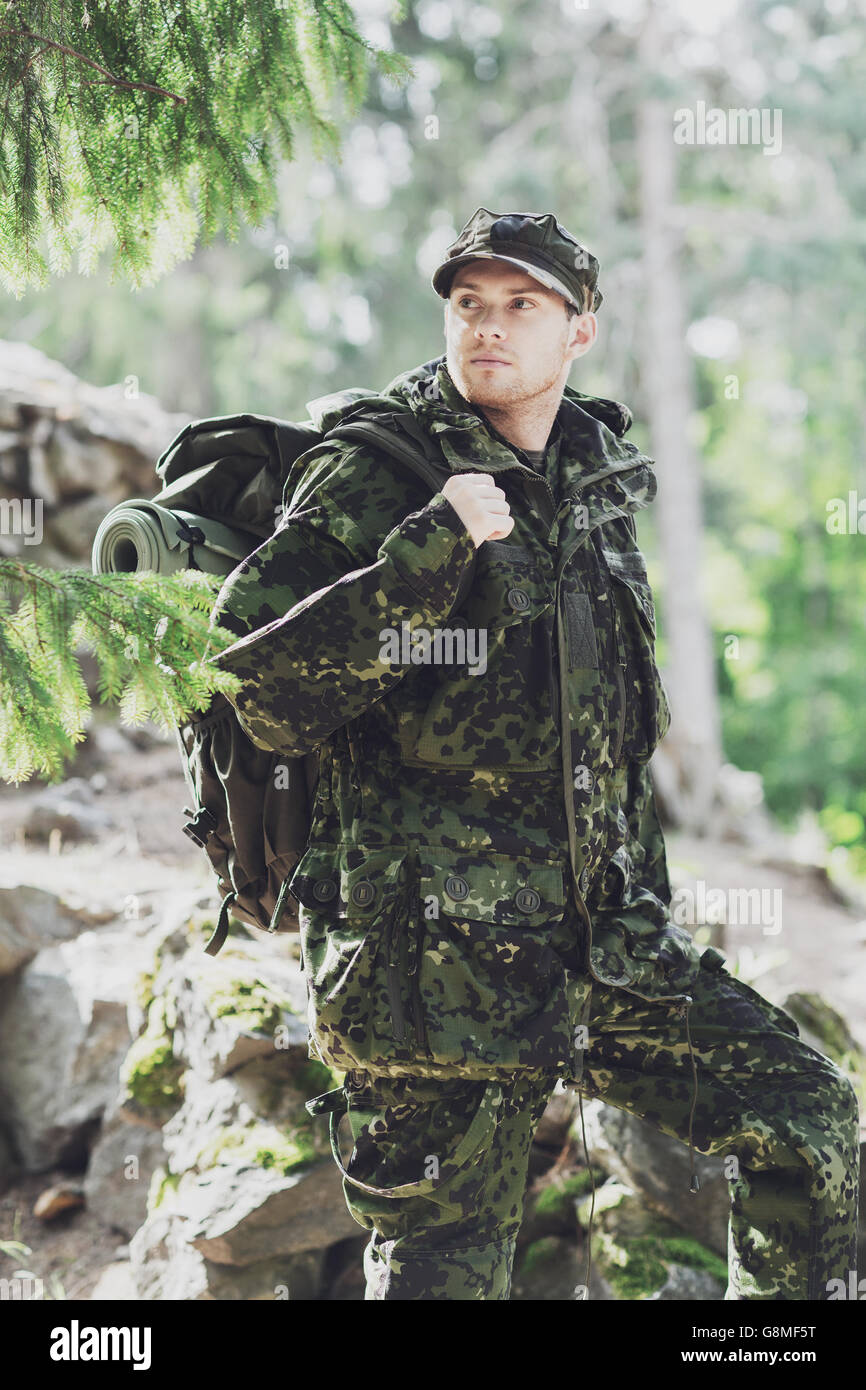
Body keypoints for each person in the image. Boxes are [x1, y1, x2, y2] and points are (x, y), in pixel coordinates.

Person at [209, 207, 860, 1301]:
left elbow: (610, 750)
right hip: (429, 988)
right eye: (469, 304)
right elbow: (255, 692)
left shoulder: (595, 480)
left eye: (520, 306)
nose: (488, 328)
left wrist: (645, 913)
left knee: (808, 1118)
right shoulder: (375, 471)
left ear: (579, 333)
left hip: (604, 955)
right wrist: (426, 552)